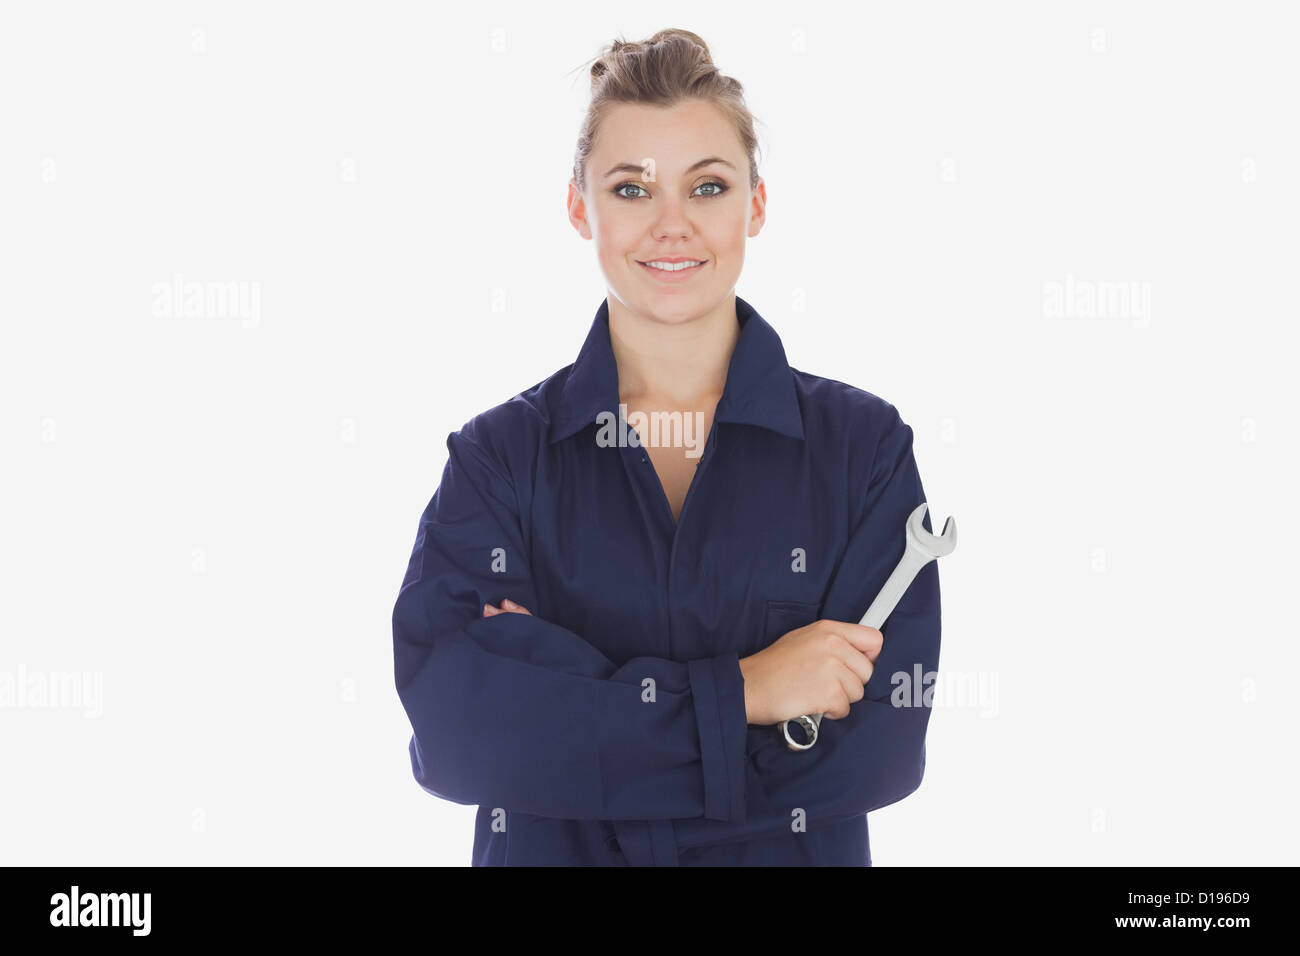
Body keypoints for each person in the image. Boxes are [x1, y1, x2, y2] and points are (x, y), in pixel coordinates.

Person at [392, 27, 942, 866]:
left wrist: (570, 710)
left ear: (756, 204)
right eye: (631, 188)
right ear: (581, 207)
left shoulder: (862, 452)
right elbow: (459, 734)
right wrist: (751, 693)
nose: (672, 225)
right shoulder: (497, 461)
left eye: (708, 186)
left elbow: (876, 757)